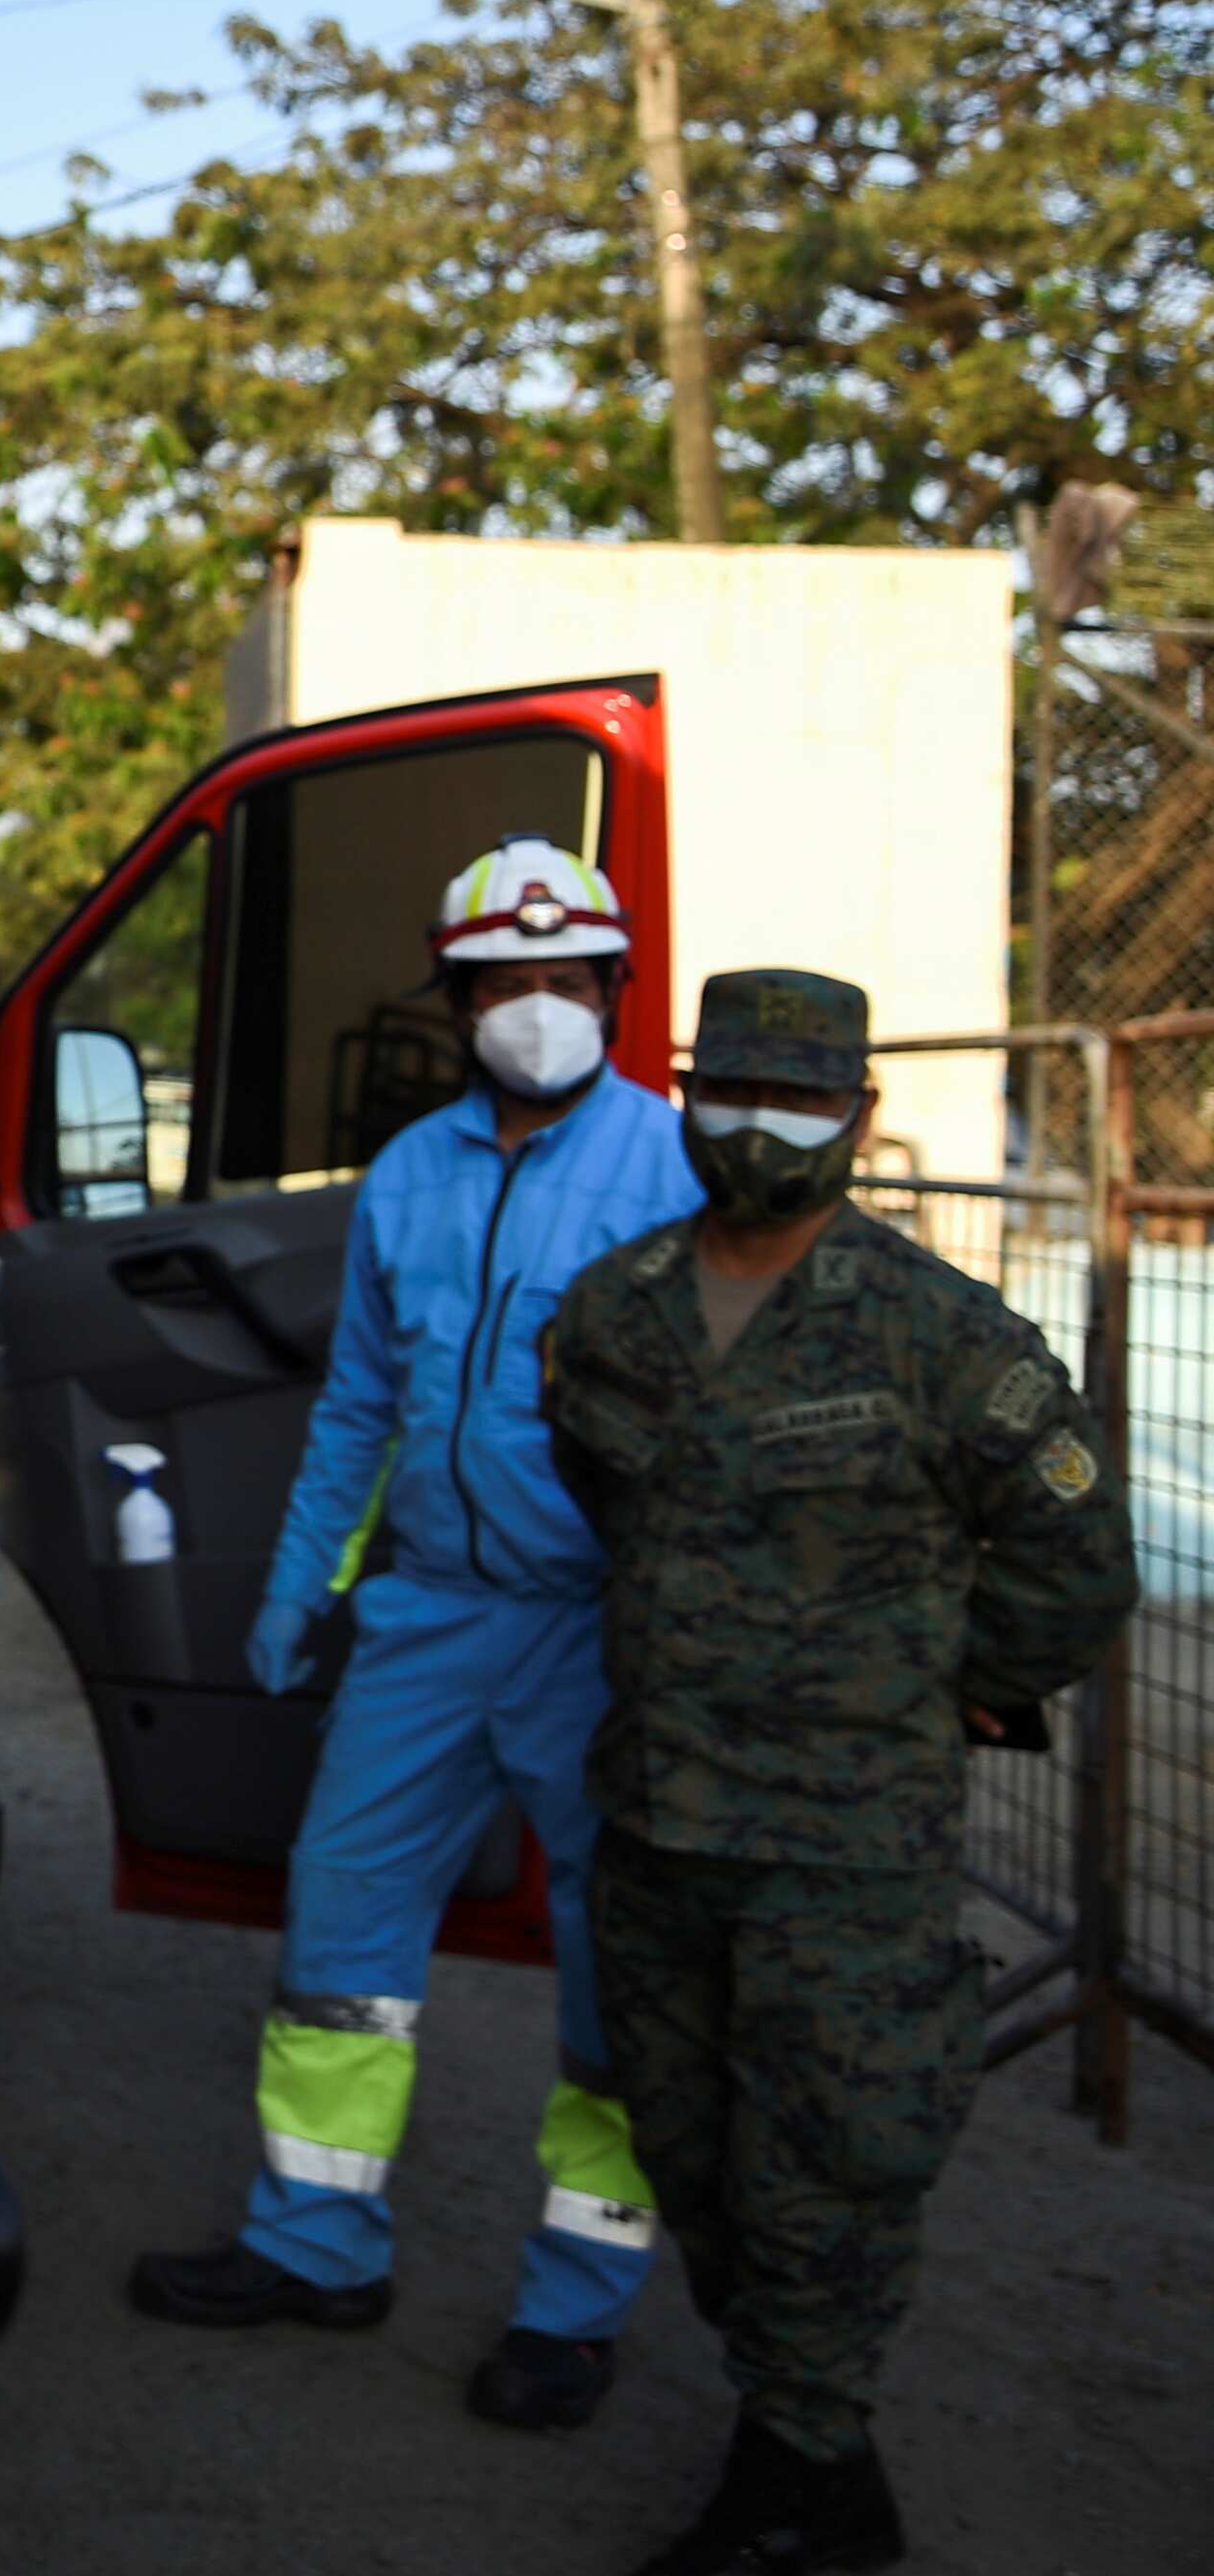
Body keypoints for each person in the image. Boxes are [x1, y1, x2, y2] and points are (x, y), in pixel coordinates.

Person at [548, 971, 1136, 2576]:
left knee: (831, 2159)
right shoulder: (614, 1309)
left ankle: (796, 2475)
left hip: (845, 1842)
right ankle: (816, 2444)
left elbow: (1077, 1561)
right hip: (661, 1815)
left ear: (860, 1121)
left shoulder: (942, 1334)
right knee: (689, 2144)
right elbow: (607, 1489)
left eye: (802, 1100)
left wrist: (950, 1686)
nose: (762, 1126)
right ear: (684, 1097)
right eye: (732, 1092)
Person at [129, 835, 702, 2430]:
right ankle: (316, 2241)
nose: (536, 1005)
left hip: (600, 1628)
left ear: (611, 994)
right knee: (340, 1933)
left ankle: (575, 2307)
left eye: (566, 979)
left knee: (619, 1977)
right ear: (457, 1003)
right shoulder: (412, 1174)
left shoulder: (673, 1171)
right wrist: (298, 1583)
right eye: (504, 982)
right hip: (428, 1619)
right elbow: (364, 1405)